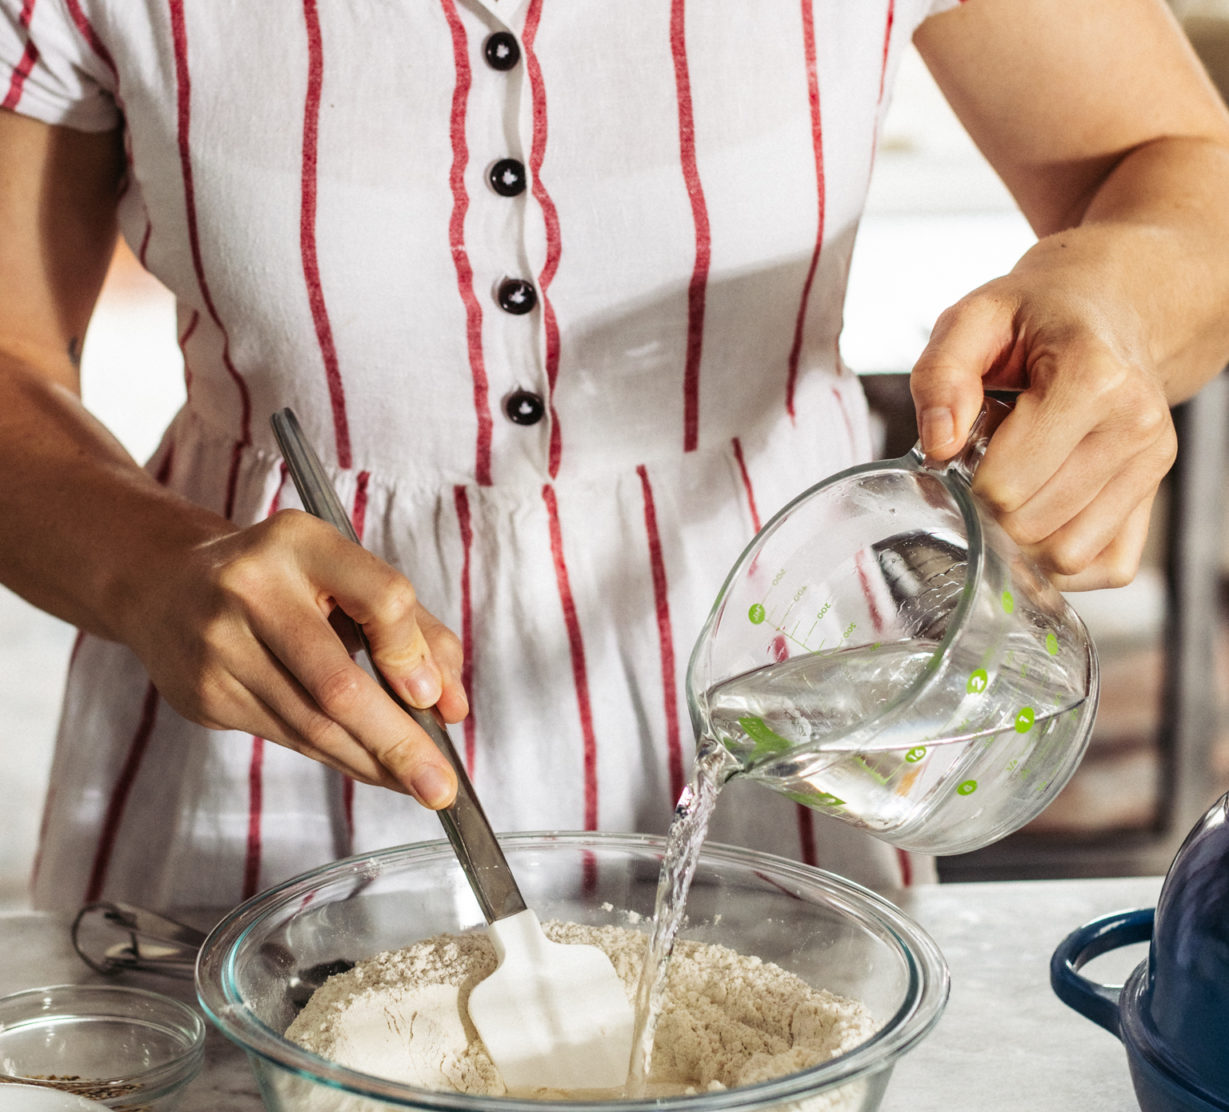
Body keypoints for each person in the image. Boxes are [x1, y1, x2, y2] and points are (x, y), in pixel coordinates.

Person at [1, 0, 1228, 916]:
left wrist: (1114, 306)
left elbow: (1186, 171)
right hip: (269, 729)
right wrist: (152, 569)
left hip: (782, 700)